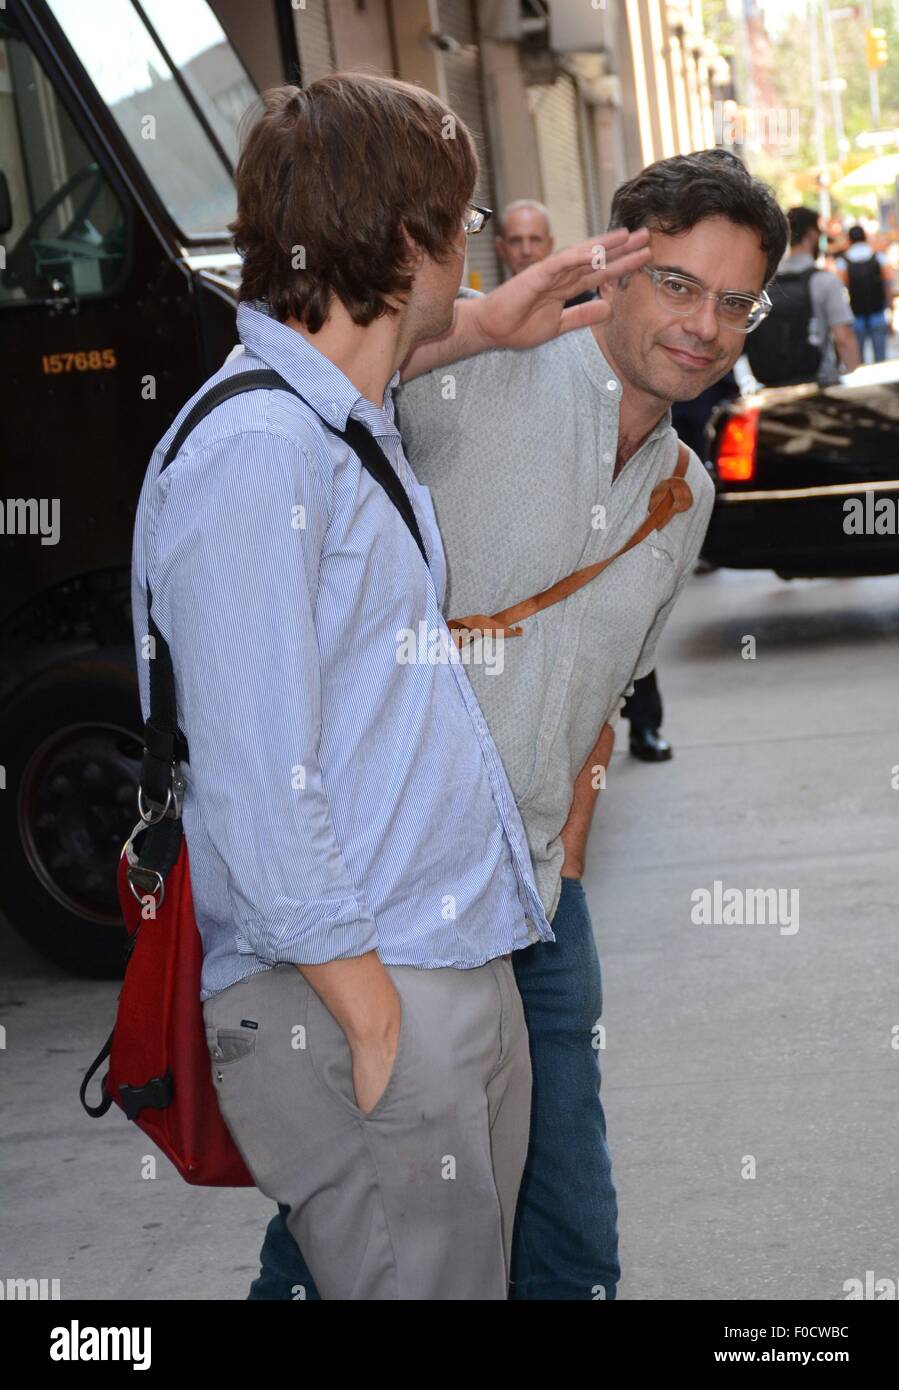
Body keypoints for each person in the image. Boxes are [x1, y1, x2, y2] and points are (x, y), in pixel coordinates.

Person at [131, 75, 649, 1303]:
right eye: (459, 234)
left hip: (437, 966)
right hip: (361, 985)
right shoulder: (258, 458)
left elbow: (378, 351)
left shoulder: (331, 416)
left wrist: (487, 320)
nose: (471, 260)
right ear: (411, 244)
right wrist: (375, 1027)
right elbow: (258, 787)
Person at [250, 146, 788, 1300]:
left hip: (539, 903)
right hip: (393, 901)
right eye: (678, 284)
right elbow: (308, 386)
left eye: (734, 301)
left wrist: (573, 840)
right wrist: (481, 324)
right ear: (617, 265)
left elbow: (603, 699)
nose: (703, 326)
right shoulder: (474, 379)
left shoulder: (682, 493)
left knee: (569, 1242)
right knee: (351, 1232)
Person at [495, 198, 677, 763]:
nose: (526, 250)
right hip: (524, 483)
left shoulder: (589, 307)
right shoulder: (481, 316)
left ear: (550, 246)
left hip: (600, 478)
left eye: (535, 240)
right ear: (502, 249)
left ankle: (642, 724)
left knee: (618, 608)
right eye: (516, 241)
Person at [747, 206, 859, 387]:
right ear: (812, 234)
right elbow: (843, 337)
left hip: (772, 387)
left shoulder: (766, 281)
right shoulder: (824, 281)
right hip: (817, 383)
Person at [835, 224, 893, 364]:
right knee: (881, 359)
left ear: (849, 239)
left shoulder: (843, 261)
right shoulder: (878, 257)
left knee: (859, 358)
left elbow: (840, 289)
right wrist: (890, 308)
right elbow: (888, 285)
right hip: (878, 312)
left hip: (856, 314)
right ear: (865, 237)